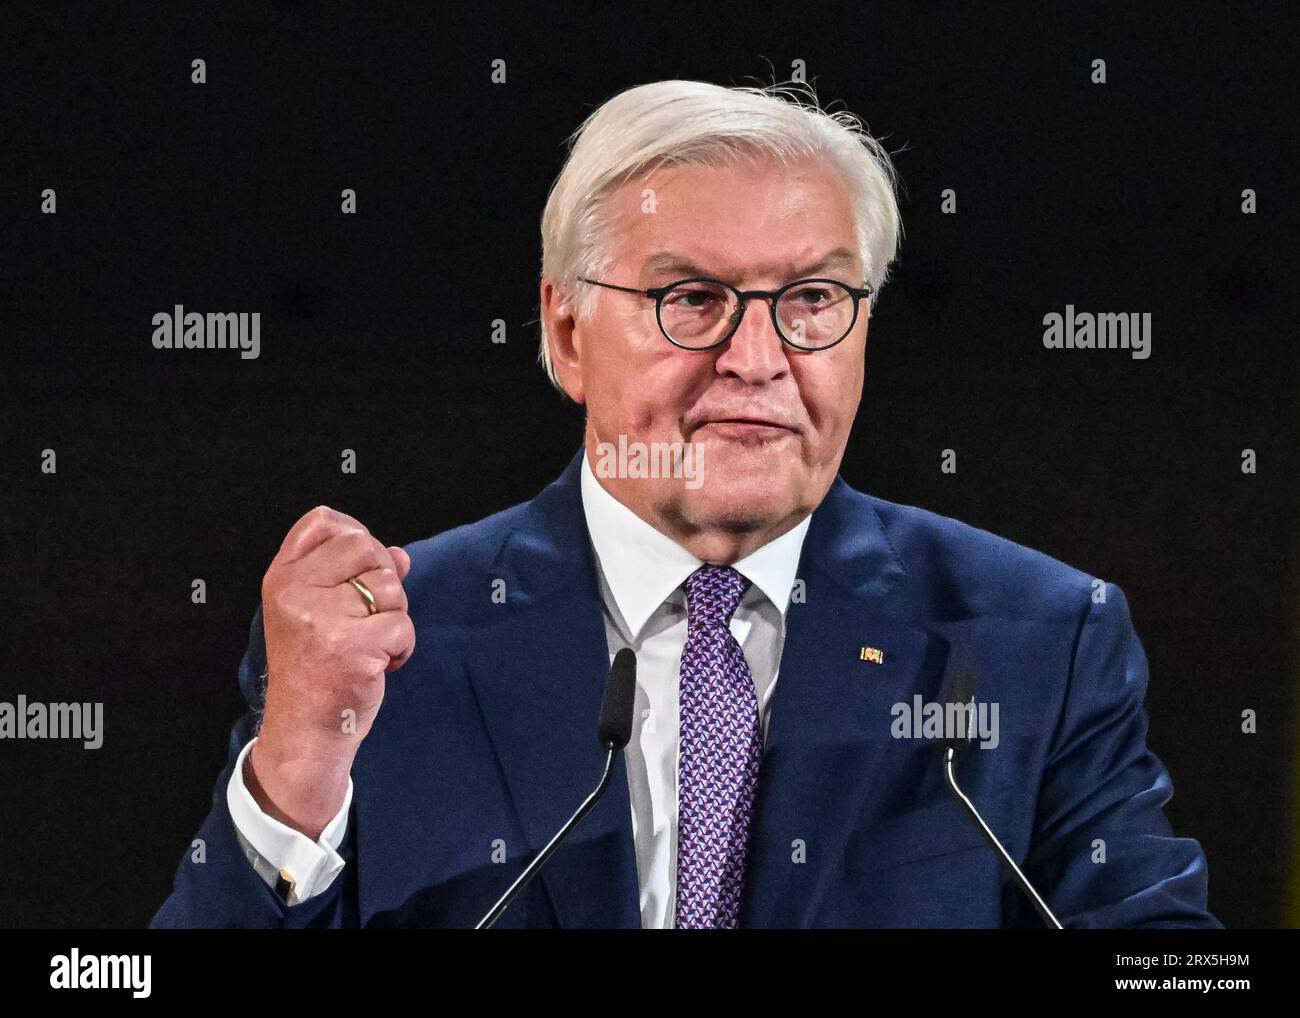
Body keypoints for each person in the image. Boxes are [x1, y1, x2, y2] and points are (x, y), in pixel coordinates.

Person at [152, 79, 1218, 929]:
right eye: (691, 299)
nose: (757, 359)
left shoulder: (1038, 638)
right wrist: (295, 766)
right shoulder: (393, 640)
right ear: (566, 333)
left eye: (811, 299)